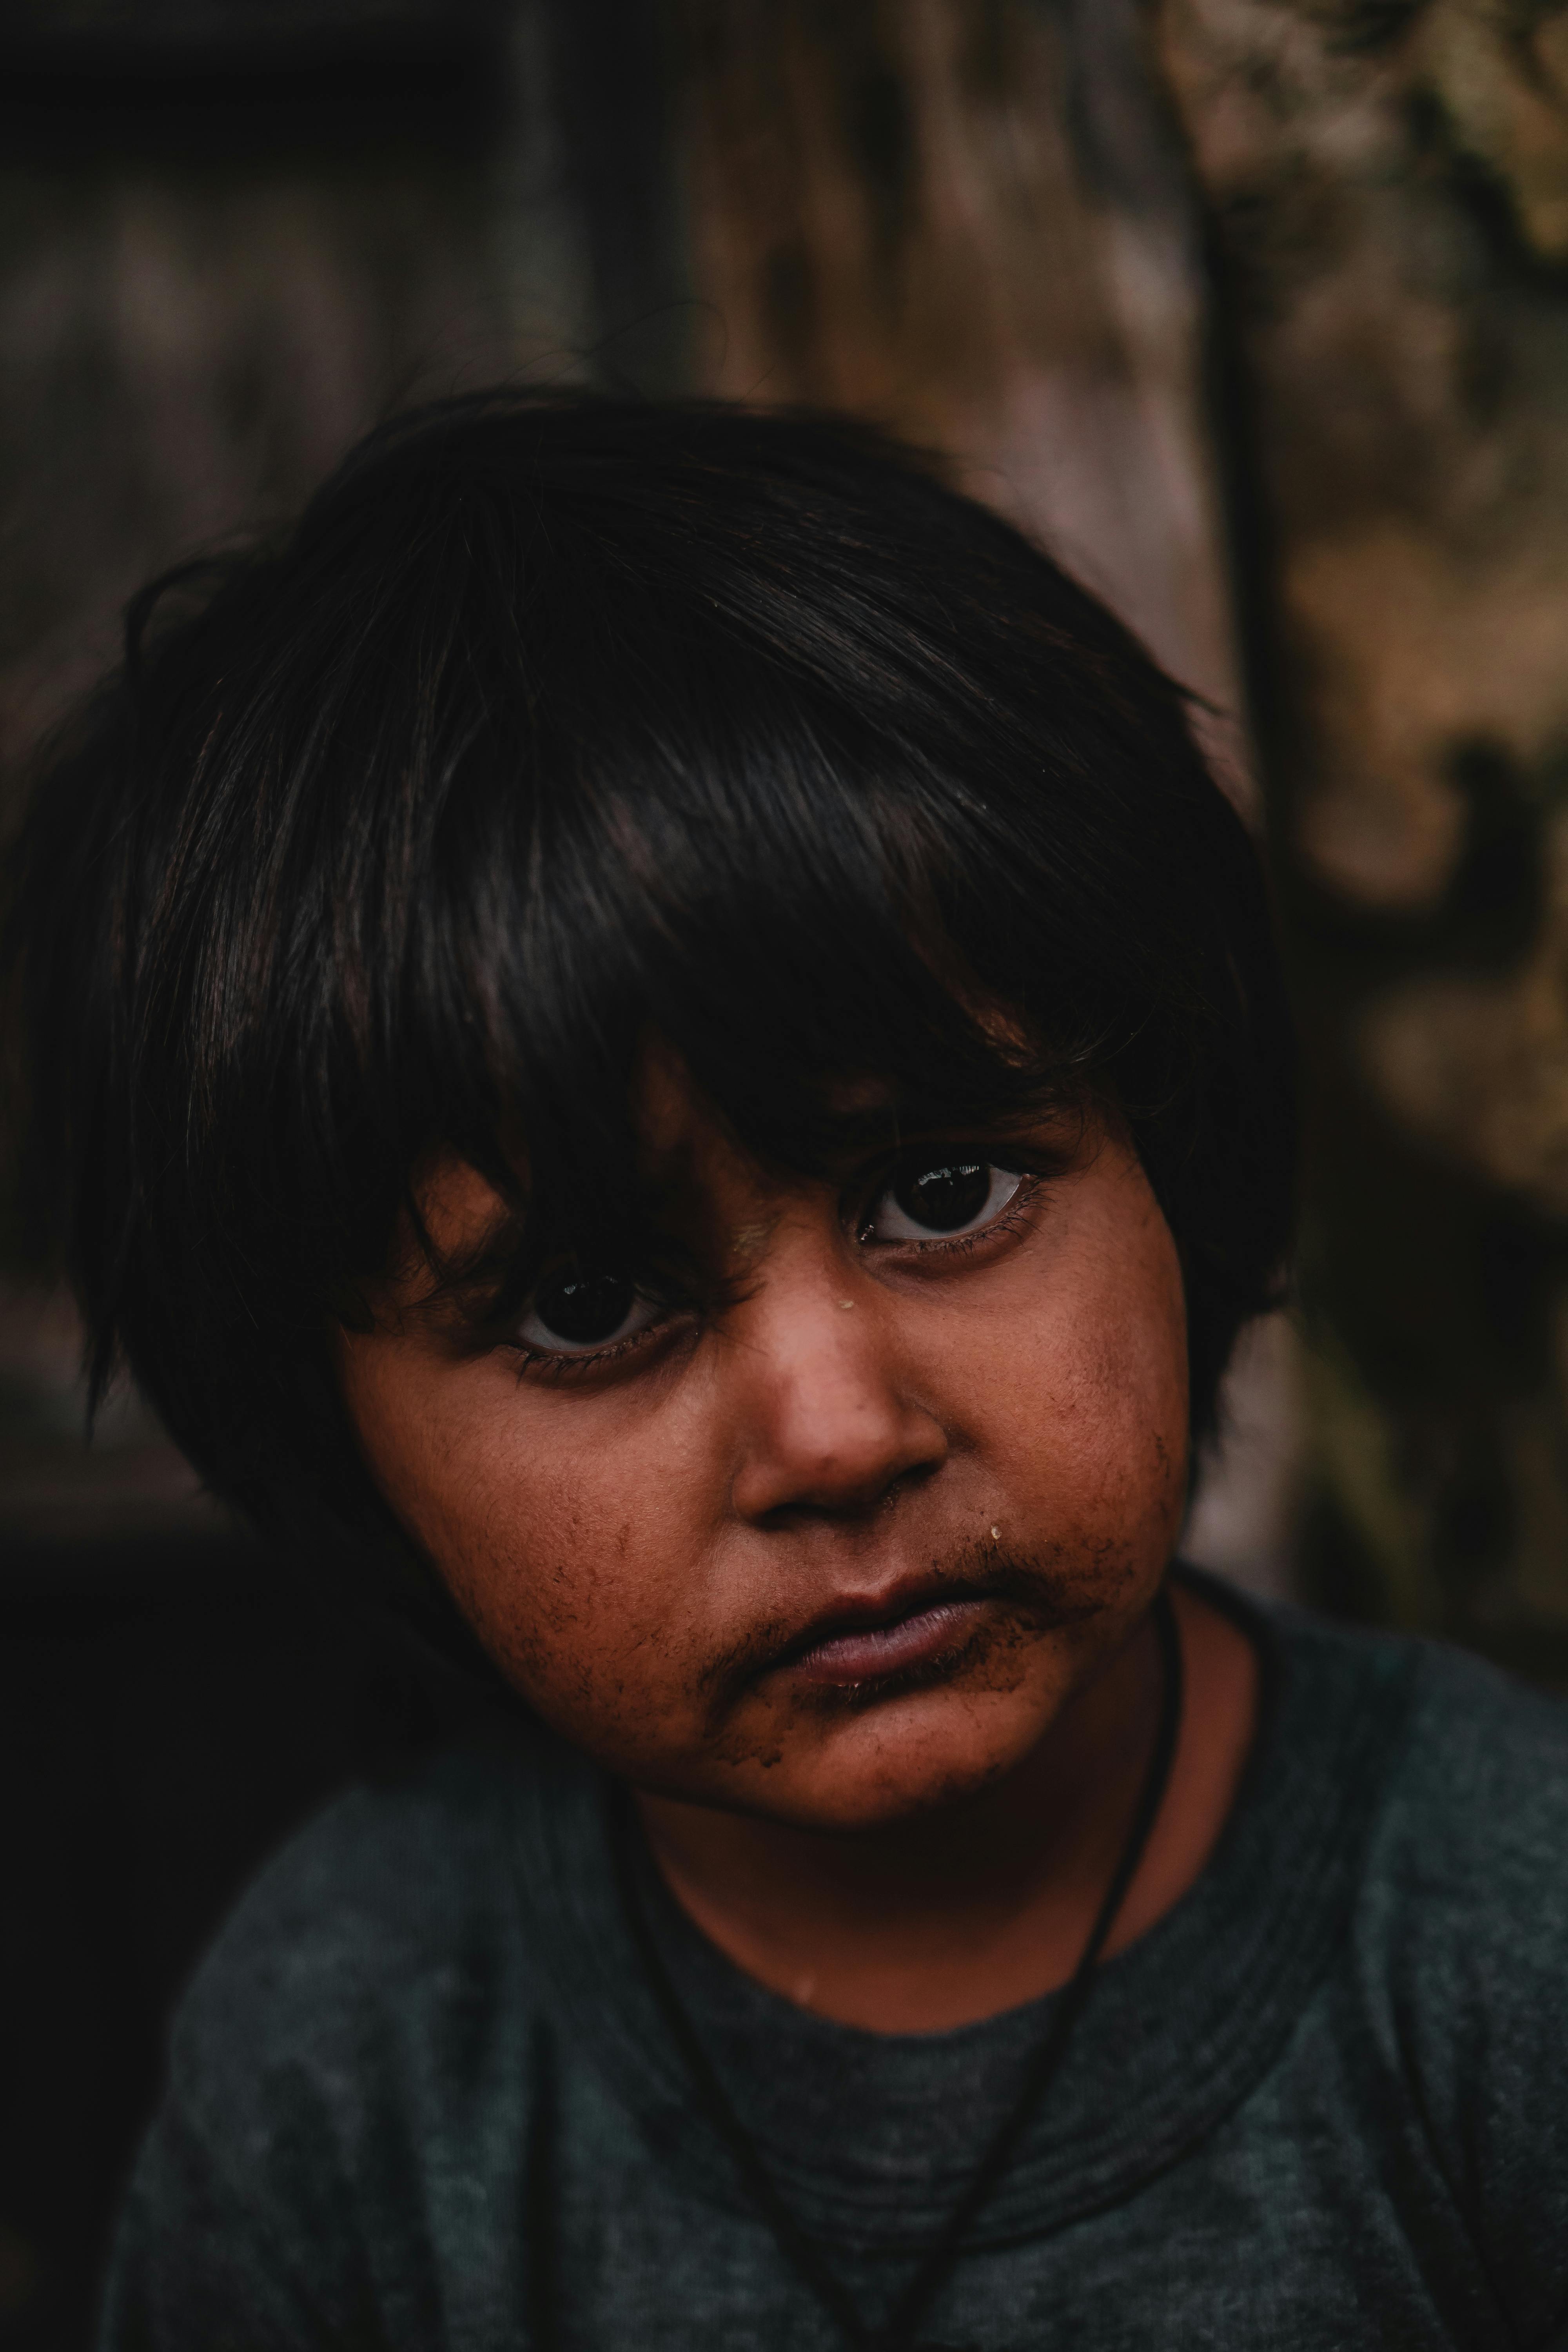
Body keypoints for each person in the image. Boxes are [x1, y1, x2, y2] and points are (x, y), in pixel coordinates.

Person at [9, 391, 1567, 2352]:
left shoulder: (1507, 1947)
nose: (838, 1433)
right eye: (585, 1310)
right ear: (323, 1432)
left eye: (945, 1190)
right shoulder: (358, 2057)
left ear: (1179, 1155)